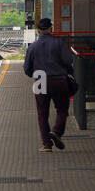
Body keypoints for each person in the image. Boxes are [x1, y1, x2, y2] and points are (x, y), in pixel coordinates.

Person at [23, 18, 74, 151]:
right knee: (62, 109)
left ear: (38, 31)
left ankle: (46, 144)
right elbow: (68, 60)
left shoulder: (32, 47)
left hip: (40, 79)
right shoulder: (59, 43)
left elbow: (27, 68)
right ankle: (56, 131)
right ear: (51, 28)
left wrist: (34, 74)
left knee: (42, 113)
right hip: (58, 79)